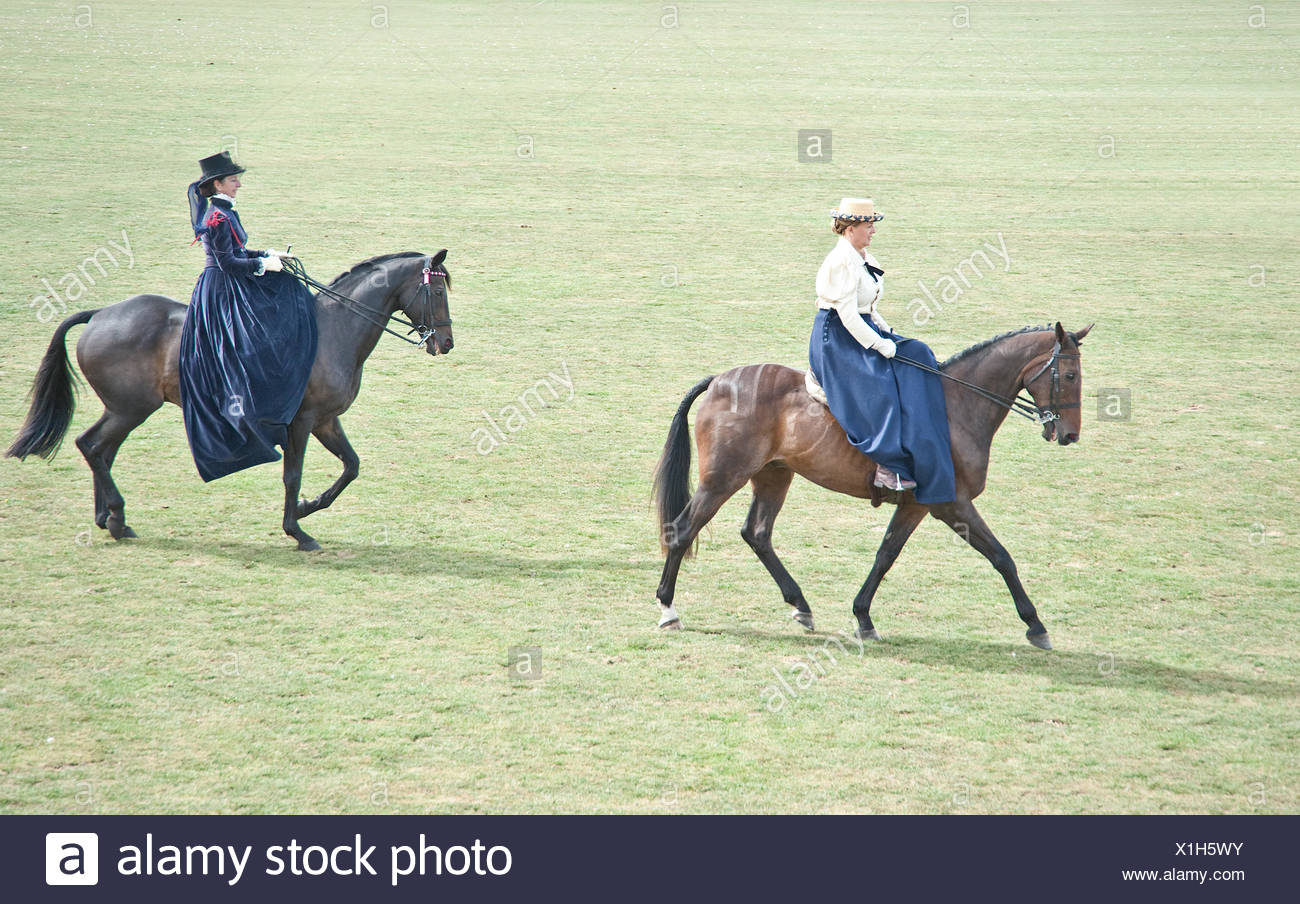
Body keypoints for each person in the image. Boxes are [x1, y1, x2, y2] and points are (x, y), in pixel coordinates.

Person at [179, 151, 318, 482]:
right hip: (222, 286)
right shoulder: (216, 216)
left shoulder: (225, 211)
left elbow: (237, 250)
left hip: (234, 278)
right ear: (217, 184)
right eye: (233, 179)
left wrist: (268, 254)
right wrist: (260, 265)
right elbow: (227, 262)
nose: (238, 183)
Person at [807, 197, 956, 503]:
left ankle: (923, 443)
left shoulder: (862, 257)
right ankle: (887, 466)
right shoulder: (840, 261)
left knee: (918, 354)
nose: (873, 230)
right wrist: (879, 345)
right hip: (836, 339)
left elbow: (868, 309)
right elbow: (847, 315)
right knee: (881, 386)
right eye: (868, 224)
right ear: (850, 228)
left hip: (860, 329)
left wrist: (889, 334)